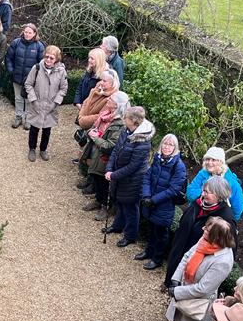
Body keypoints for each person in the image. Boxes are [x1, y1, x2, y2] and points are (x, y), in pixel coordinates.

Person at [166, 218, 236, 321]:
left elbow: (203, 288)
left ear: (217, 238)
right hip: (186, 289)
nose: (203, 230)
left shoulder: (223, 261)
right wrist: (176, 279)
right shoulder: (206, 240)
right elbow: (187, 257)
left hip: (200, 300)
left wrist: (177, 292)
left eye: (207, 230)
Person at [164, 177, 237, 288]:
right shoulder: (198, 203)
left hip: (197, 261)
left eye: (207, 192)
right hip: (181, 248)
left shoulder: (225, 218)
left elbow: (229, 247)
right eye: (203, 190)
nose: (203, 194)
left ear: (219, 194)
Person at [102, 105, 155, 245]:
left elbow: (133, 167)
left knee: (131, 207)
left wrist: (113, 174)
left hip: (133, 180)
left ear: (134, 121)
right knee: (120, 202)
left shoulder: (143, 142)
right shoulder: (126, 131)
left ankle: (130, 236)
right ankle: (117, 226)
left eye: (126, 117)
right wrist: (109, 168)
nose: (124, 119)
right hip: (120, 176)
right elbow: (115, 151)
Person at [138, 133, 187, 270]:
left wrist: (154, 199)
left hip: (164, 205)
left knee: (161, 233)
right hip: (151, 202)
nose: (167, 147)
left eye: (170, 144)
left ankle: (157, 259)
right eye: (165, 143)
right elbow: (148, 177)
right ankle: (148, 251)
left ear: (175, 148)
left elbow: (174, 190)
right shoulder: (157, 159)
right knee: (151, 228)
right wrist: (146, 195)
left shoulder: (179, 166)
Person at [79, 85, 129, 210]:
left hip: (105, 157)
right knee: (96, 178)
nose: (107, 101)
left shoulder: (120, 124)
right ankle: (97, 200)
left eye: (111, 100)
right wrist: (92, 132)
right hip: (96, 153)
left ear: (117, 105)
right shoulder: (106, 115)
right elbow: (96, 128)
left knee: (104, 183)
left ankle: (104, 207)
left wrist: (95, 138)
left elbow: (111, 146)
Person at [24, 45, 68, 162]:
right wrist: (33, 99)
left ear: (57, 59)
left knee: (47, 130)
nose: (48, 60)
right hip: (37, 104)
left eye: (51, 58)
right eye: (47, 57)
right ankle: (32, 149)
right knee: (34, 128)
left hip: (50, 106)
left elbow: (63, 88)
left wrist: (56, 102)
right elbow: (28, 84)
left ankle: (43, 149)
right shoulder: (37, 68)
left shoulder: (61, 71)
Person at [186, 147, 243, 220]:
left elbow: (238, 208)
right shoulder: (202, 173)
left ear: (221, 162)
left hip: (216, 220)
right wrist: (206, 193)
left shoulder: (231, 183)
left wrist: (228, 223)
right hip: (197, 214)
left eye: (213, 160)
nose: (209, 163)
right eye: (207, 159)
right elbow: (190, 193)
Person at [6, 23, 44, 129]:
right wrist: (11, 70)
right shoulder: (16, 43)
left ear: (34, 33)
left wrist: (36, 77)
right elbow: (8, 58)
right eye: (25, 32)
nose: (27, 34)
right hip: (17, 76)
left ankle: (28, 118)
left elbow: (41, 64)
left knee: (28, 99)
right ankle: (18, 117)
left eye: (29, 32)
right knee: (18, 98)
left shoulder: (39, 46)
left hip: (30, 80)